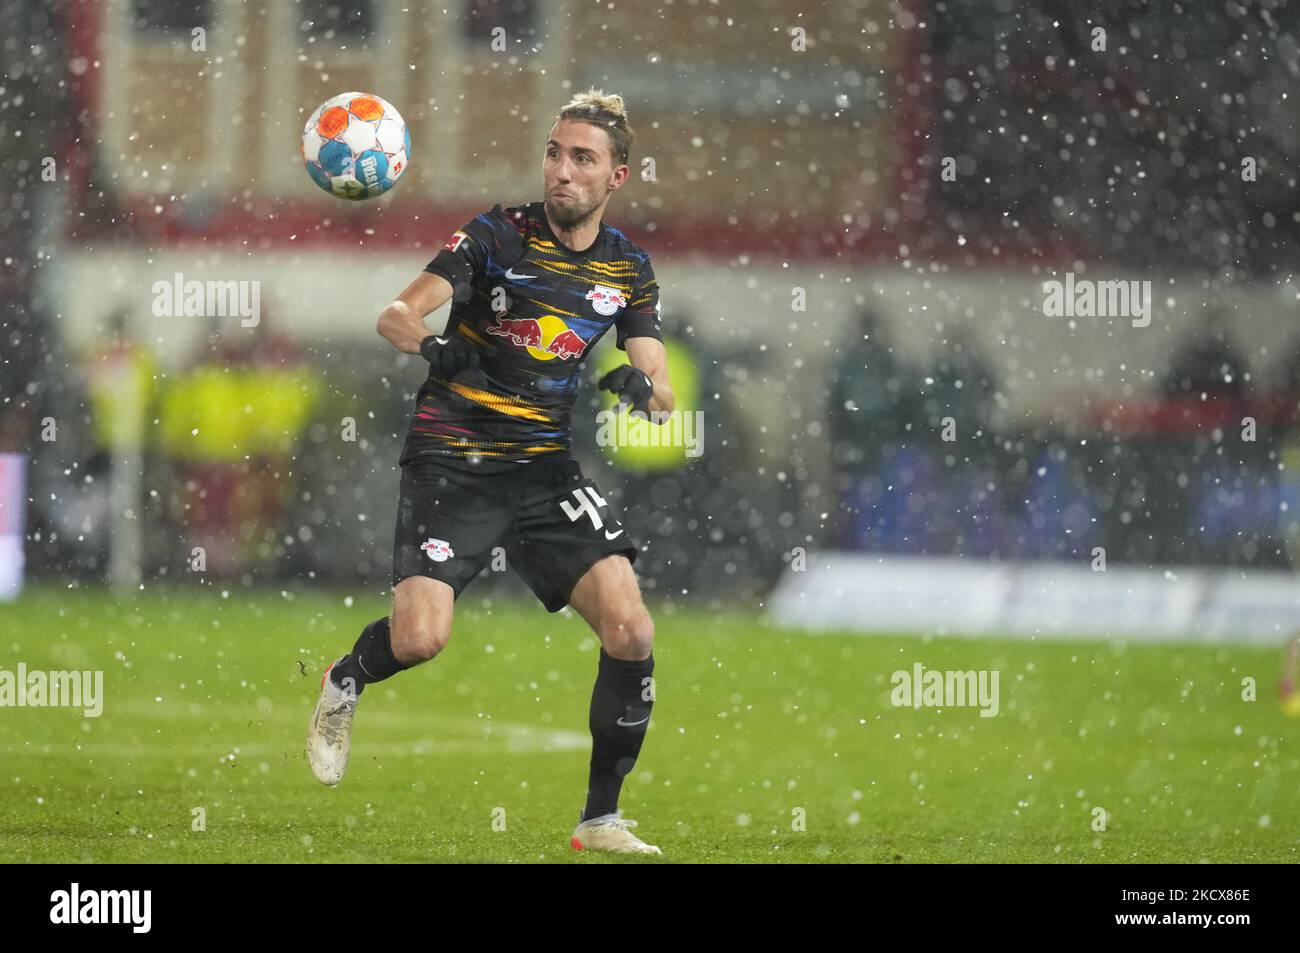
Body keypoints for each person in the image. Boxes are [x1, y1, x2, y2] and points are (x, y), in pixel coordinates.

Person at [306, 89, 674, 855]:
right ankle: (344, 678)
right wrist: (433, 346)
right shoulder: (497, 235)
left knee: (632, 627)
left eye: (582, 158)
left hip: (543, 470)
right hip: (454, 461)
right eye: (554, 153)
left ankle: (599, 819)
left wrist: (645, 389)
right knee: (420, 639)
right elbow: (396, 315)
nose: (562, 171)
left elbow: (659, 383)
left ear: (618, 178)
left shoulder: (628, 269)